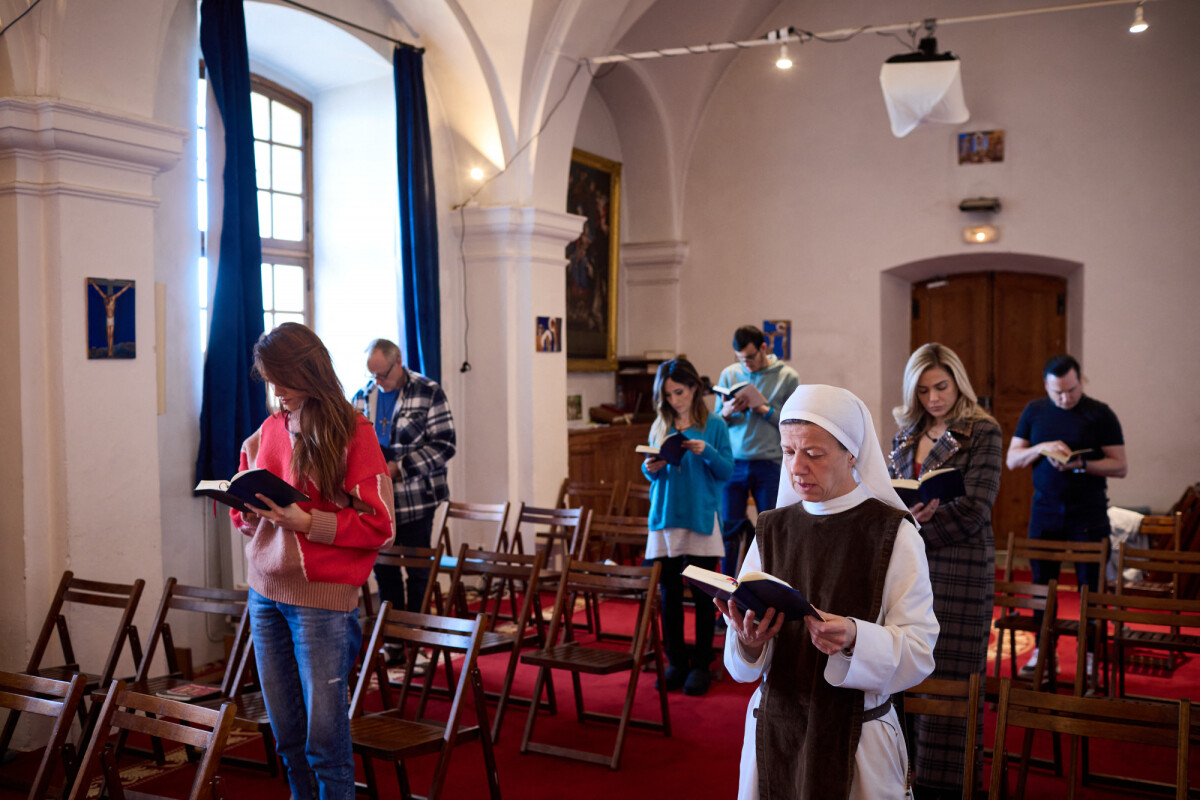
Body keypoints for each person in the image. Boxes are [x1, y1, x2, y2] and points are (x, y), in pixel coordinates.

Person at [719, 384, 938, 800]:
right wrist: (748, 643)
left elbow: (920, 649)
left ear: (851, 453)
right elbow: (744, 660)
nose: (797, 468)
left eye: (813, 453)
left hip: (857, 735)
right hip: (776, 725)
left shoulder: (893, 532)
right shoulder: (772, 528)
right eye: (787, 452)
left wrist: (856, 637)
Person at [231, 323, 395, 800]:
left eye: (284, 378)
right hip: (265, 594)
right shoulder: (268, 431)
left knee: (325, 742)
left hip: (321, 602)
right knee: (287, 739)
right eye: (269, 379)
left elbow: (379, 525)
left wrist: (305, 522)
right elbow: (251, 520)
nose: (277, 391)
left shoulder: (353, 430)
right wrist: (247, 510)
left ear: (310, 369)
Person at [888, 344, 1002, 799]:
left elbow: (974, 509)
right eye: (923, 389)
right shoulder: (903, 434)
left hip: (959, 572)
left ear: (958, 382)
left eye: (941, 387)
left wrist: (913, 527)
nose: (934, 398)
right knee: (902, 677)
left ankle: (948, 789)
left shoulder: (982, 430)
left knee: (949, 689)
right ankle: (901, 784)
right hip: (906, 572)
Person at [1006, 354, 1127, 677]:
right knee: (1042, 584)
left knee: (1091, 586)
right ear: (1046, 386)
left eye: (1071, 390)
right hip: (1045, 511)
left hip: (1088, 512)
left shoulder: (1099, 413)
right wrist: (1040, 447)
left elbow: (1120, 465)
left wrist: (1081, 464)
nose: (1065, 398)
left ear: (1080, 381)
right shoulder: (1035, 411)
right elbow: (1013, 459)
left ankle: (1090, 656)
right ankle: (1044, 653)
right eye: (1057, 392)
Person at [642, 358, 733, 696]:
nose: (674, 400)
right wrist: (651, 466)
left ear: (695, 388)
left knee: (702, 594)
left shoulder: (715, 425)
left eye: (679, 392)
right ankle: (676, 661)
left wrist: (706, 451)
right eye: (668, 395)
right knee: (668, 594)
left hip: (700, 515)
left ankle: (700, 665)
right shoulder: (661, 423)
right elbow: (651, 471)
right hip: (666, 514)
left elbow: (726, 471)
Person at [351, 339, 456, 614]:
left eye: (383, 374)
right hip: (377, 501)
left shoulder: (427, 392)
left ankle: (418, 638)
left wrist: (400, 467)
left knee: (417, 571)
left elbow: (444, 445)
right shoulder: (363, 395)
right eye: (372, 375)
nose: (378, 380)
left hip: (416, 497)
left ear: (398, 362)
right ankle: (394, 637)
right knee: (384, 570)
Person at [715, 325, 800, 577]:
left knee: (771, 530)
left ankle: (771, 585)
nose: (746, 364)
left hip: (769, 463)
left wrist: (763, 409)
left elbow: (792, 423)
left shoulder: (787, 376)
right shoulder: (729, 374)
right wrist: (726, 412)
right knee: (730, 529)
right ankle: (729, 589)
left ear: (764, 348)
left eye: (750, 357)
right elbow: (717, 420)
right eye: (741, 359)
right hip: (734, 462)